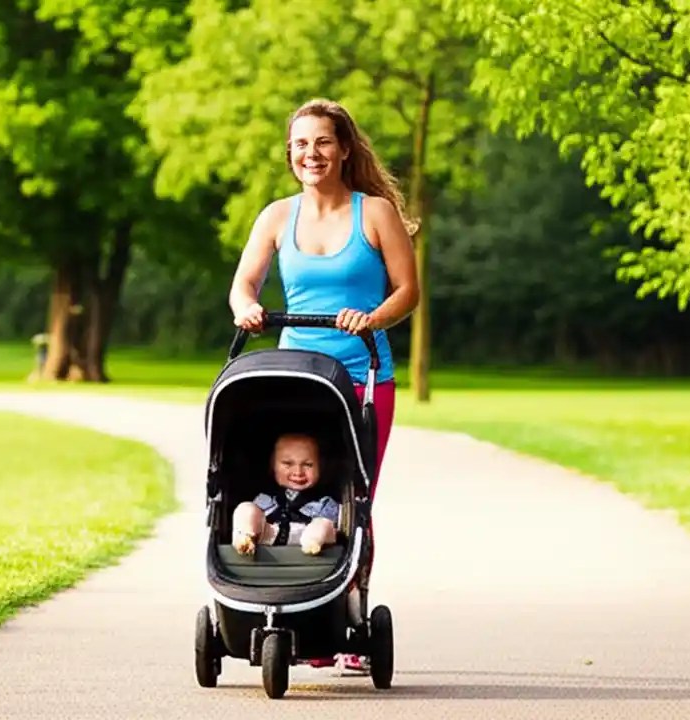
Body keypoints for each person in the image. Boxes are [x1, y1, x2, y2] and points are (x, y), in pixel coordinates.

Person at [227, 98, 420, 673]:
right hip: (299, 381)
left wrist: (373, 318)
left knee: (353, 497)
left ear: (344, 149)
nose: (311, 153)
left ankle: (347, 612)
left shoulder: (375, 213)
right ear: (291, 153)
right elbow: (244, 283)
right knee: (292, 490)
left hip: (363, 377)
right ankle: (301, 610)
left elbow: (407, 291)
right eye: (300, 144)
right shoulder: (276, 217)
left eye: (322, 143)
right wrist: (247, 309)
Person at [231, 432, 340, 556]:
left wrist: (321, 529)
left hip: (306, 537)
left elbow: (333, 527)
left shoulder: (323, 502)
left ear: (321, 467)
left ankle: (313, 542)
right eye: (288, 464)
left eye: (308, 465)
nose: (298, 472)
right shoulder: (267, 498)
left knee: (324, 524)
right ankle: (245, 537)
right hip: (270, 536)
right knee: (246, 509)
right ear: (273, 466)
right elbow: (254, 516)